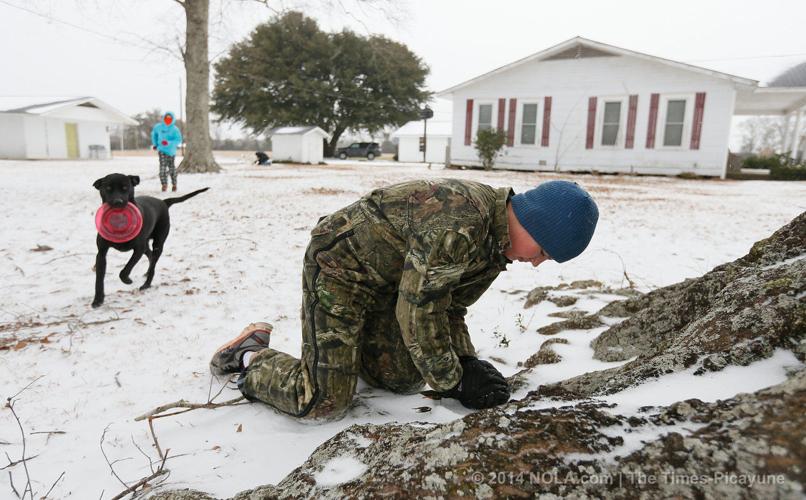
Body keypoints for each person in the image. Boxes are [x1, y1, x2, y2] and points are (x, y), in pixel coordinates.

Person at [210, 178, 599, 420]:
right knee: (322, 402)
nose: (537, 263)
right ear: (533, 221)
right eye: (543, 251)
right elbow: (419, 310)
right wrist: (455, 380)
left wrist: (466, 362)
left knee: (402, 379)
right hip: (343, 270)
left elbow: (450, 306)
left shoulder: (498, 246)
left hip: (393, 286)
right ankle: (251, 356)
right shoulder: (459, 224)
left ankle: (344, 357)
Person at [151, 112, 183, 192]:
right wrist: (155, 144)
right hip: (161, 150)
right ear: (164, 118)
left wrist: (168, 143)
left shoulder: (175, 129)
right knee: (162, 168)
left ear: (172, 119)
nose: (168, 120)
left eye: (169, 119)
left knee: (172, 168)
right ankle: (164, 184)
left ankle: (174, 184)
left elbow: (178, 140)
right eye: (166, 118)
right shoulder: (158, 127)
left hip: (171, 151)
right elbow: (154, 135)